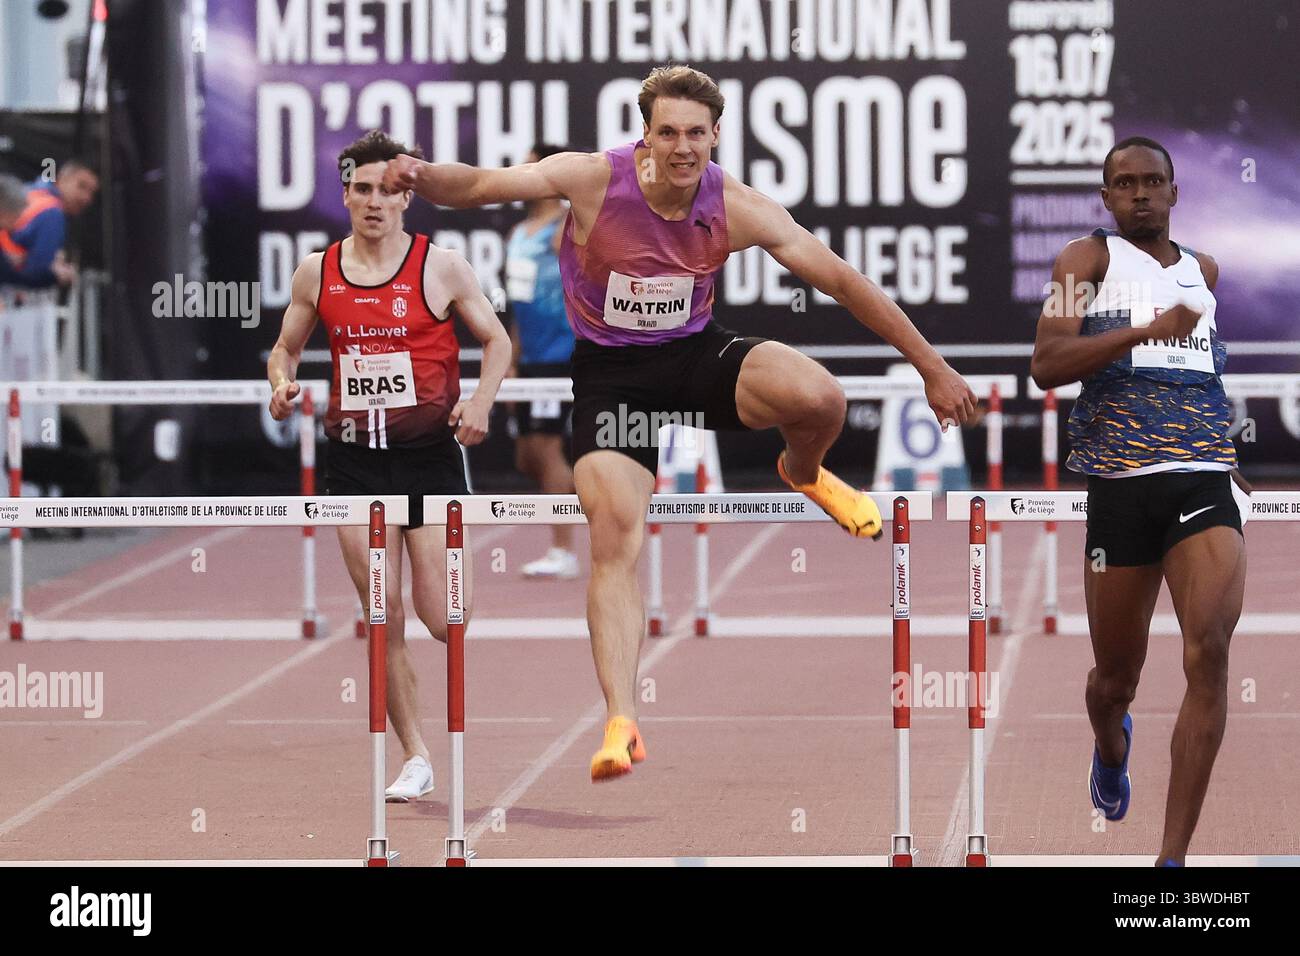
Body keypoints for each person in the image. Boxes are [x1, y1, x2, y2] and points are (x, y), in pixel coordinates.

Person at [385, 65, 974, 781]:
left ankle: (805, 472)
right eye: (668, 132)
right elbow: (478, 187)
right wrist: (418, 173)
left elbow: (843, 282)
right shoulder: (591, 179)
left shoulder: (738, 205)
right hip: (614, 383)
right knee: (614, 533)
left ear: (716, 135)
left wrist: (932, 367)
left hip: (694, 360)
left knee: (821, 400)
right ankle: (621, 720)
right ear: (648, 135)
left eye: (697, 133)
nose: (683, 147)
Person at [269, 130, 511, 801]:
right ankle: (416, 755)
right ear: (346, 195)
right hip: (354, 466)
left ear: (407, 197)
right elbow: (283, 348)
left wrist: (482, 402)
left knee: (445, 619)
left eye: (387, 190)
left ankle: (451, 612)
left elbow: (496, 340)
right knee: (384, 615)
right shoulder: (317, 271)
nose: (374, 201)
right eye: (362, 189)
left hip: (429, 459)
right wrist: (280, 384)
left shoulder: (441, 266)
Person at [1030, 136, 1250, 866]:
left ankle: (1172, 861)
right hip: (1121, 490)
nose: (1141, 194)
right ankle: (1109, 742)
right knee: (1113, 681)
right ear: (1107, 197)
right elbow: (1046, 364)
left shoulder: (1204, 271)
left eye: (1153, 182)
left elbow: (1206, 373)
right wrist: (1143, 331)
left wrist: (1228, 458)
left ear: (1174, 192)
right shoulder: (1082, 263)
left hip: (1202, 481)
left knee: (1209, 653)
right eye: (1124, 184)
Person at [503, 143, 579, 579]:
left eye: (530, 165)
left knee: (547, 451)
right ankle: (596, 497)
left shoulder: (568, 222)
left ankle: (563, 549)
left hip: (562, 355)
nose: (520, 172)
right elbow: (519, 304)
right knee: (526, 457)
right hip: (528, 356)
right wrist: (510, 362)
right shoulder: (518, 234)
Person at [0, 157, 98, 290]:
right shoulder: (52, 213)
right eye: (81, 186)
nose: (86, 198)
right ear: (62, 178)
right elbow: (38, 271)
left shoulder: (30, 192)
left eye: (92, 192)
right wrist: (57, 275)